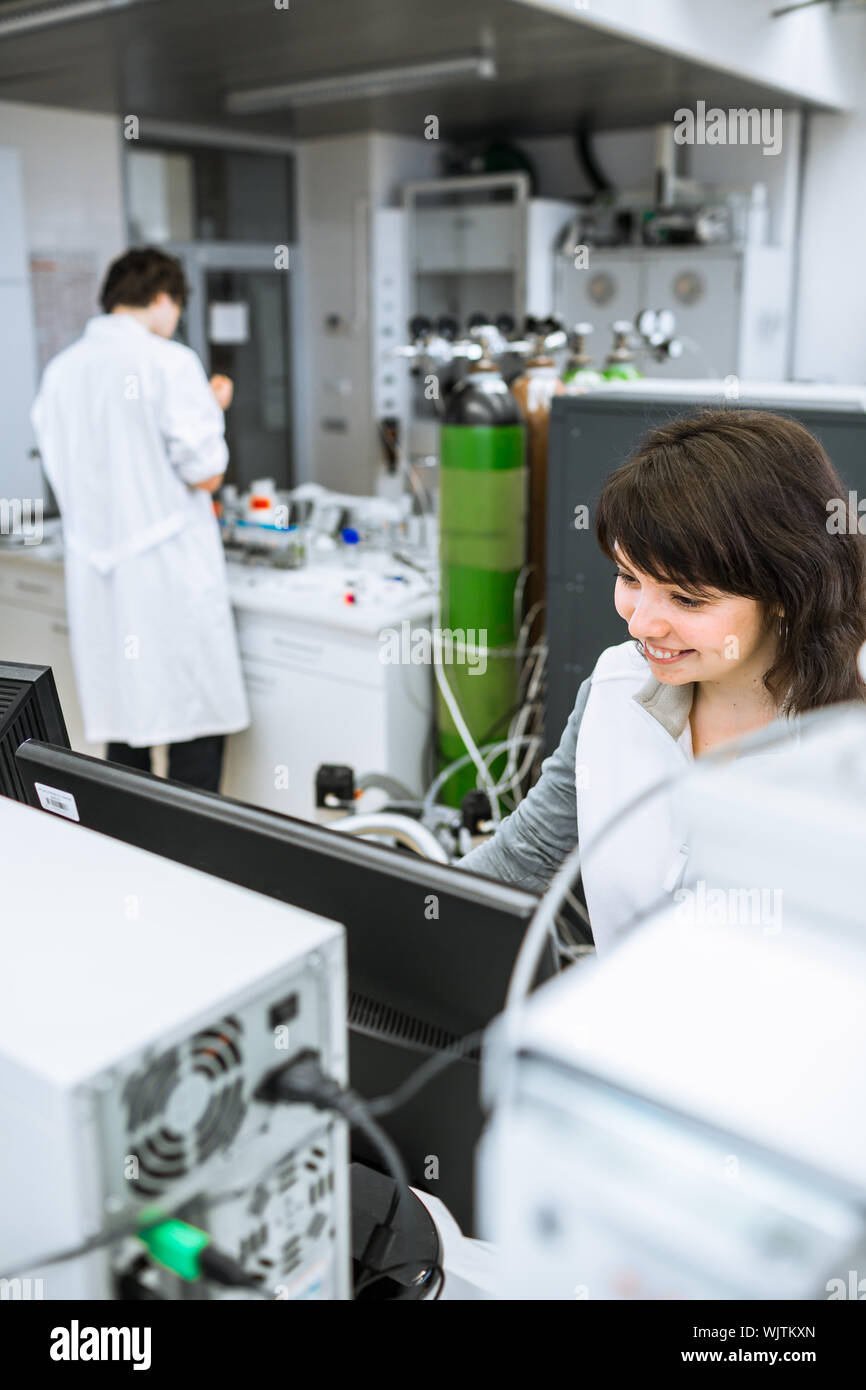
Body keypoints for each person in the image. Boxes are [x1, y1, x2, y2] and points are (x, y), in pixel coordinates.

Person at [460, 410, 866, 952]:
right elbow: (525, 856)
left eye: (687, 598)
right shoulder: (613, 689)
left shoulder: (846, 742)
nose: (640, 624)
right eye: (628, 577)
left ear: (787, 595)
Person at [31, 246, 249, 791]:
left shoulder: (61, 371)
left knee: (125, 730)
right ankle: (195, 842)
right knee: (194, 727)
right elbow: (207, 473)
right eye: (177, 306)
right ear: (161, 297)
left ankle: (128, 843)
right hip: (170, 578)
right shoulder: (169, 362)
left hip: (100, 578)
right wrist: (212, 407)